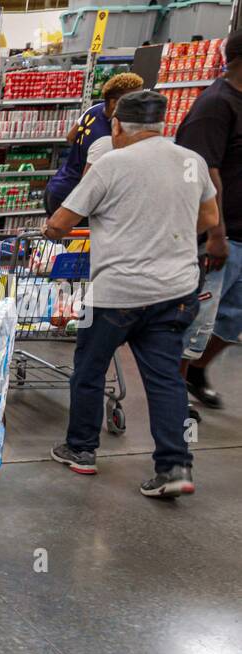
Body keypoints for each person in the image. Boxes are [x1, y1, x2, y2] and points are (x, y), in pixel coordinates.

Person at [43, 90, 219, 499]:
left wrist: (49, 232)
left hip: (114, 294)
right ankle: (174, 465)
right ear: (163, 125)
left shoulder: (111, 164)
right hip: (175, 290)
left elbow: (63, 222)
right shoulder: (191, 161)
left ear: (118, 124)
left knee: (89, 368)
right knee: (164, 378)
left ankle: (82, 449)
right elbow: (209, 218)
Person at [174, 30, 242, 410]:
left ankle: (197, 371)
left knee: (230, 323)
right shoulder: (215, 105)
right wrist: (216, 233)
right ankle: (174, 396)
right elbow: (203, 171)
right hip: (218, 238)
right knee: (195, 323)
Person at [44, 72, 144, 216]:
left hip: (57, 185)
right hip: (70, 198)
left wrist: (83, 151)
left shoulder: (94, 109)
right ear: (114, 102)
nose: (139, 105)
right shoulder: (105, 140)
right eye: (134, 100)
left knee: (64, 239)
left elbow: (70, 137)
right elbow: (88, 186)